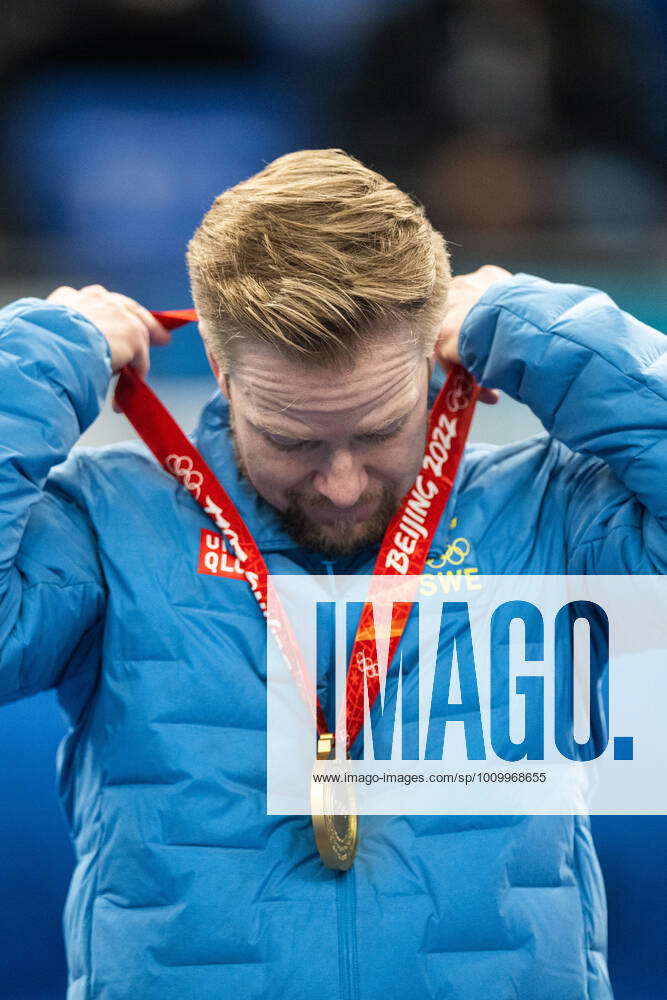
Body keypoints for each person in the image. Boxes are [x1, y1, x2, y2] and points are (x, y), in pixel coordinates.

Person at [1, 148, 665, 1000]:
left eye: (382, 428)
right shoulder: (108, 524)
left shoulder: (548, 516)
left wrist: (549, 335)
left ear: (432, 358)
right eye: (291, 440)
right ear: (219, 371)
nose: (342, 483)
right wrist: (38, 360)